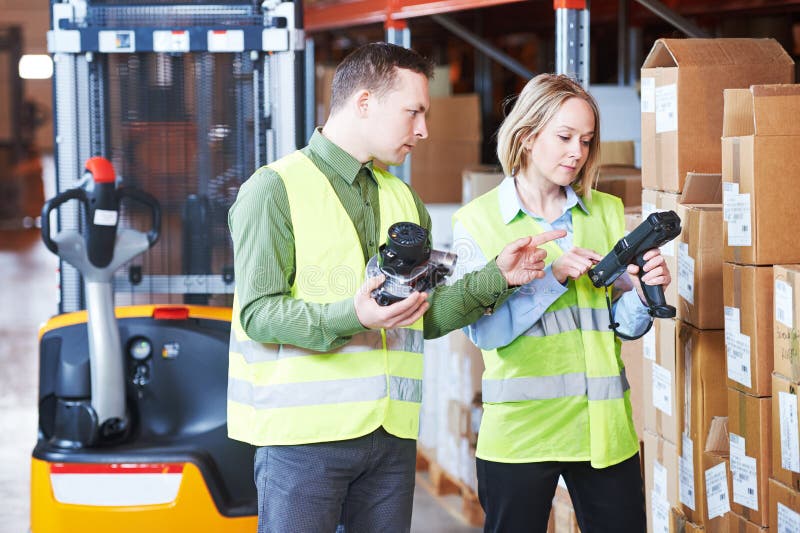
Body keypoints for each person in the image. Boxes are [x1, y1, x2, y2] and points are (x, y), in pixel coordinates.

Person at [227, 43, 565, 533]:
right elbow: (258, 314)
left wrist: (499, 276)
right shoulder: (273, 189)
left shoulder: (402, 197)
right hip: (303, 444)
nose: (424, 130)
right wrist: (354, 316)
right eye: (414, 112)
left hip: (390, 440)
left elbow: (425, 315)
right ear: (364, 103)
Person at [452, 73, 671, 533]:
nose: (578, 152)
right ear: (528, 136)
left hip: (603, 431)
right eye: (565, 137)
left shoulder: (607, 211)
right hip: (522, 433)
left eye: (587, 141)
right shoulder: (478, 221)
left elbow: (621, 328)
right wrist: (552, 278)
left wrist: (646, 295)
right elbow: (486, 334)